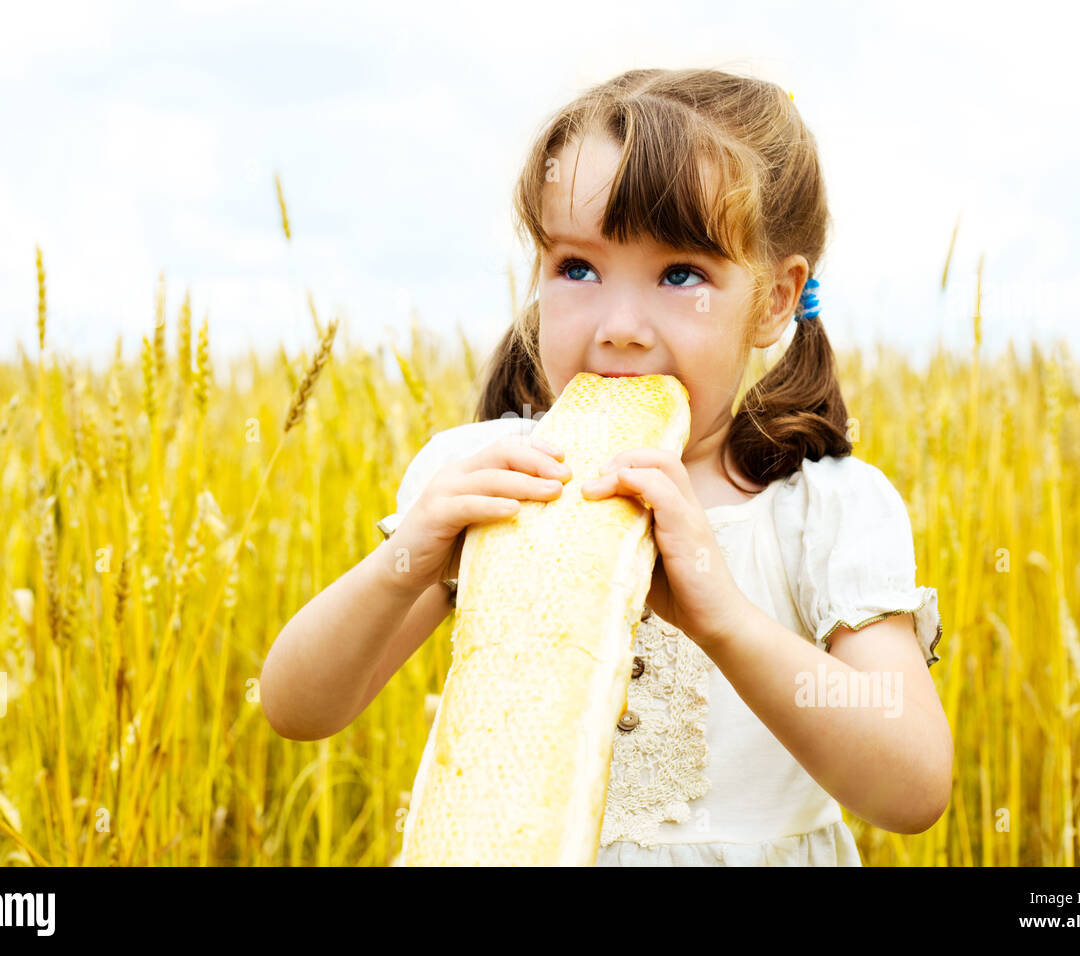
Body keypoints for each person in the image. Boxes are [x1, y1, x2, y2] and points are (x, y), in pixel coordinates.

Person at [261, 67, 950, 866]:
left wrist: (722, 618)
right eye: (577, 268)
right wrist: (405, 559)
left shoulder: (819, 508)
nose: (620, 326)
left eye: (681, 274)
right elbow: (296, 706)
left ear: (772, 300)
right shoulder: (492, 476)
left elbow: (913, 788)